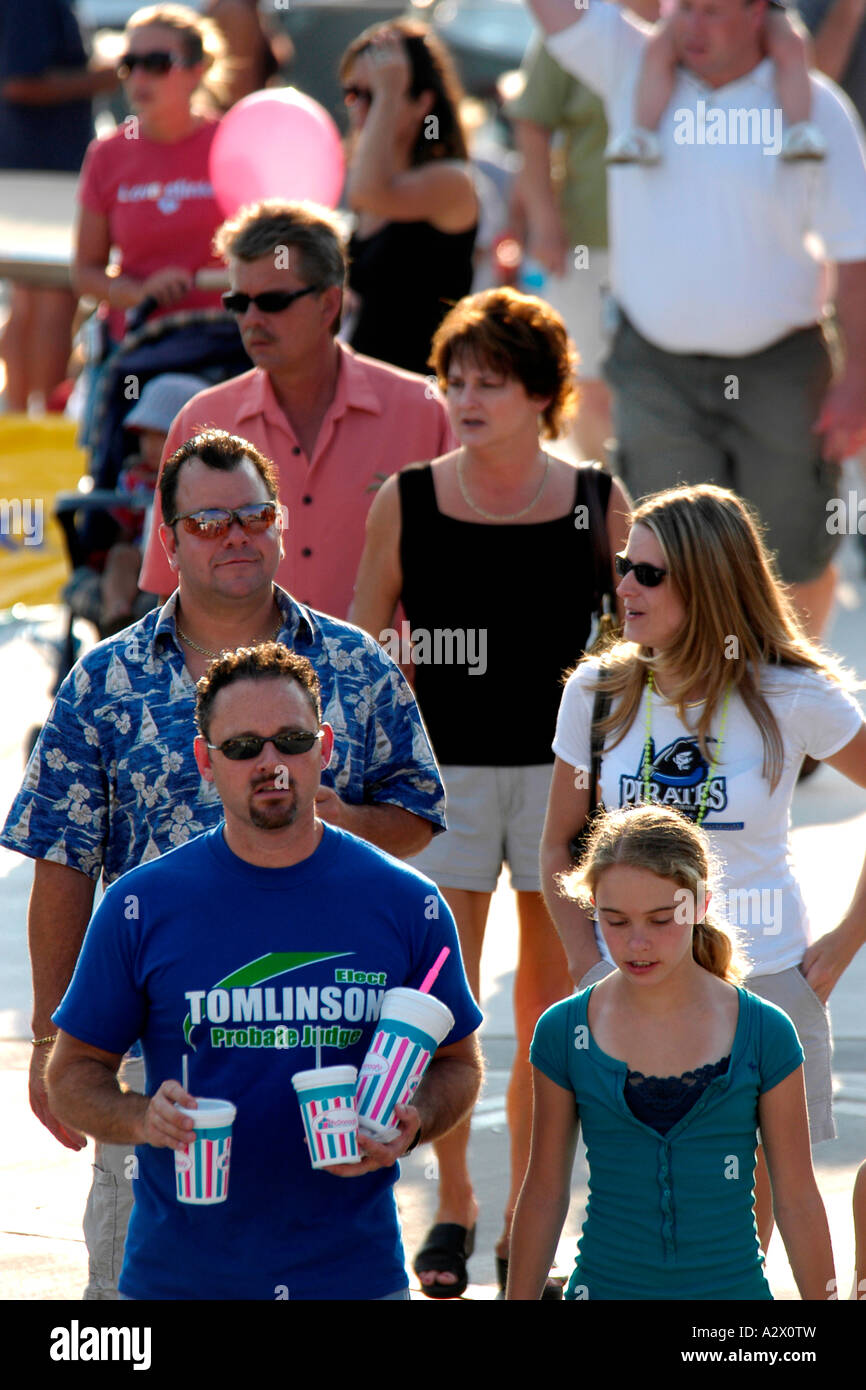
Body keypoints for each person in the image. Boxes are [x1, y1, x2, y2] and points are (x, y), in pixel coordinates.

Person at [0, 427, 446, 1299]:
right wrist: (57, 1041)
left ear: (281, 526)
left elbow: (418, 808)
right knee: (140, 1267)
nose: (235, 535)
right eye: (208, 523)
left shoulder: (354, 662)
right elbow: (62, 862)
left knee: (328, 1249)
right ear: (169, 542)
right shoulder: (103, 680)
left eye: (253, 515)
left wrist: (324, 828)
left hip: (328, 1015)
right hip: (156, 1026)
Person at [45, 642, 482, 1300]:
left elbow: (459, 1065)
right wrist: (141, 1120)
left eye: (292, 740)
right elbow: (72, 1074)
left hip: (352, 1278)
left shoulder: (407, 903)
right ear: (206, 762)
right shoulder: (141, 906)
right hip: (182, 1281)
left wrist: (414, 1116)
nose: (271, 763)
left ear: (325, 747)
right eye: (244, 746)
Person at [351, 286, 631, 1298]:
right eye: (452, 378)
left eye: (489, 381)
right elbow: (362, 648)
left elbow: (638, 642)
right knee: (440, 1003)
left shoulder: (596, 498)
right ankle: (454, 1203)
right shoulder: (408, 496)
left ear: (541, 392)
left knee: (548, 1006)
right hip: (445, 776)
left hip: (565, 784)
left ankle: (525, 1221)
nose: (464, 397)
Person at [540, 482, 866, 1253]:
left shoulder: (791, 692)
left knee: (750, 1204)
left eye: (649, 573)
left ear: (710, 580)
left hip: (764, 976)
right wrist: (590, 962)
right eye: (624, 566)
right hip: (636, 975)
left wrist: (846, 939)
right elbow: (557, 845)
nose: (624, 586)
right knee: (648, 1193)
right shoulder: (598, 690)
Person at [526, 0, 866, 643]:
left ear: (759, 14)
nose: (690, 27)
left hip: (782, 366)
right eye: (683, 9)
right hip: (656, 366)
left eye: (711, 12)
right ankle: (691, 718)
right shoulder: (634, 66)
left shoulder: (814, 105)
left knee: (795, 552)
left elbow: (855, 256)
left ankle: (786, 706)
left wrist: (859, 379)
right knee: (668, 555)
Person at [509, 804, 836, 1300]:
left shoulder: (767, 1031)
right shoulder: (562, 1031)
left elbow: (797, 1200)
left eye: (661, 920)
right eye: (615, 921)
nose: (637, 943)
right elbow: (544, 1193)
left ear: (700, 905)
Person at [138, 200, 455, 618]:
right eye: (238, 303)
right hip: (238, 683)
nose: (251, 319)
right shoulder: (199, 421)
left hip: (387, 682)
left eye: (272, 302)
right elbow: (171, 597)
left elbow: (460, 572)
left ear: (329, 304)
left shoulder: (423, 411)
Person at [73, 4, 229, 346]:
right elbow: (85, 272)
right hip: (136, 346)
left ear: (196, 71)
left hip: (223, 342)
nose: (140, 77)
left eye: (157, 64)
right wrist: (138, 292)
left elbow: (272, 249)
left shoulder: (232, 143)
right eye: (130, 64)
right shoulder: (107, 154)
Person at [339, 18, 478, 376]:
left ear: (422, 103)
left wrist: (388, 92)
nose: (359, 109)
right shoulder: (363, 184)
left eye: (376, 94)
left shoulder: (451, 182)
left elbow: (372, 192)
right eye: (352, 94)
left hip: (422, 402)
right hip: (364, 396)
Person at [0, 0, 118, 411]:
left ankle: (22, 423)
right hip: (44, 172)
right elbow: (19, 82)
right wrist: (103, 77)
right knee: (52, 293)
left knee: (33, 295)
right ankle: (36, 424)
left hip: (34, 170)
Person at [608, 1, 827, 163]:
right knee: (657, 48)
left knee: (792, 45)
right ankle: (642, 137)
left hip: (761, 6)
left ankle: (801, 131)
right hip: (694, 6)